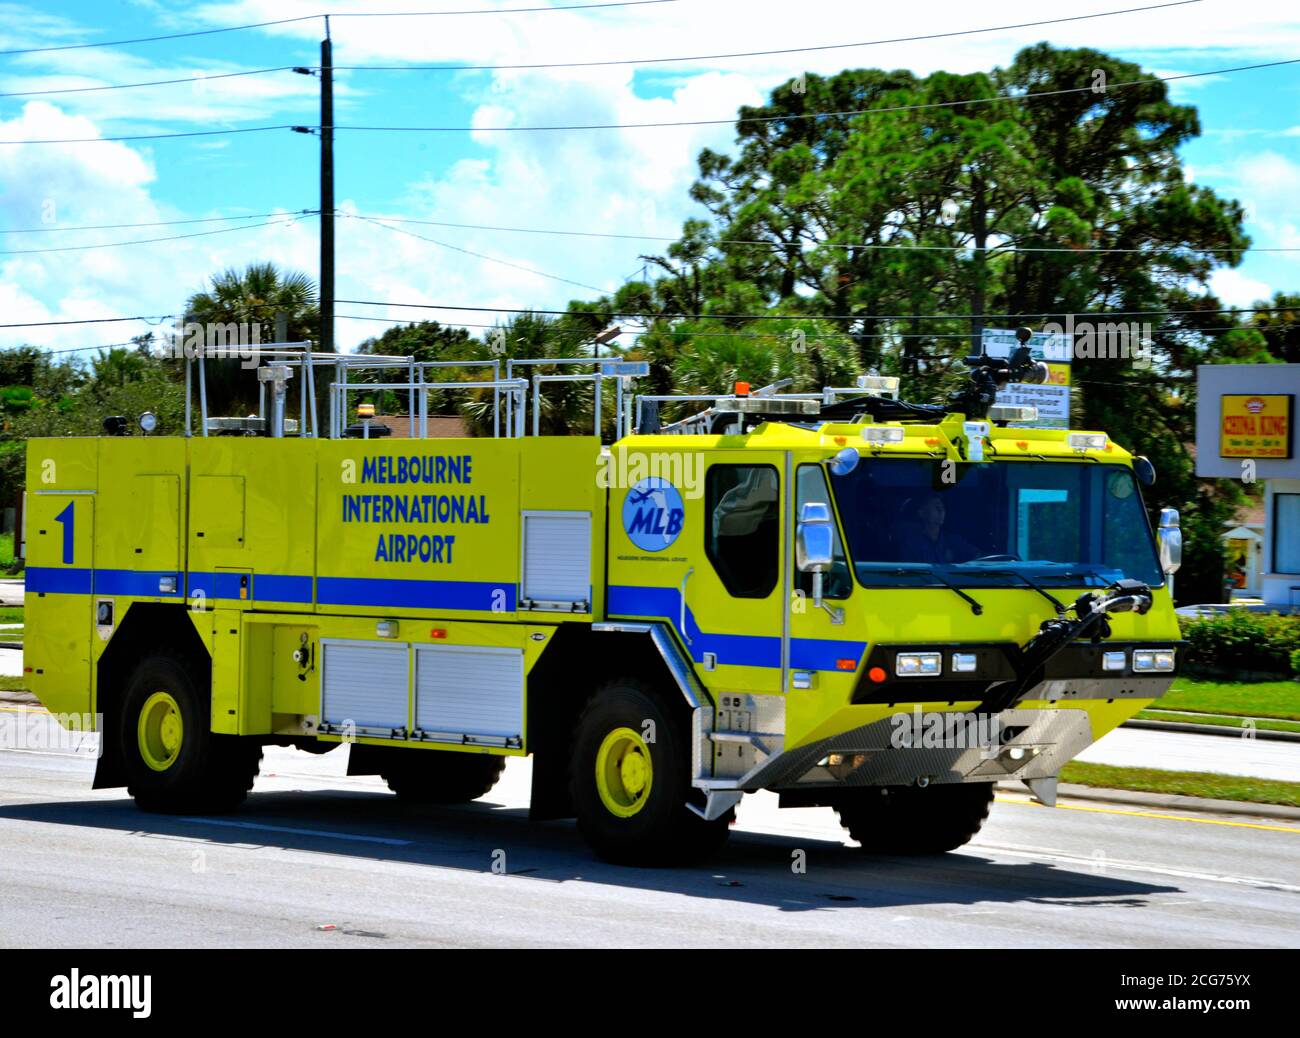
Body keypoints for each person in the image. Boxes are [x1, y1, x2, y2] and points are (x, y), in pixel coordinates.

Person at [896, 492, 978, 565]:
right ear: (922, 513)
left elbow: (978, 557)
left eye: (942, 507)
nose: (941, 511)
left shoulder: (953, 540)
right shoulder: (911, 544)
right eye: (936, 507)